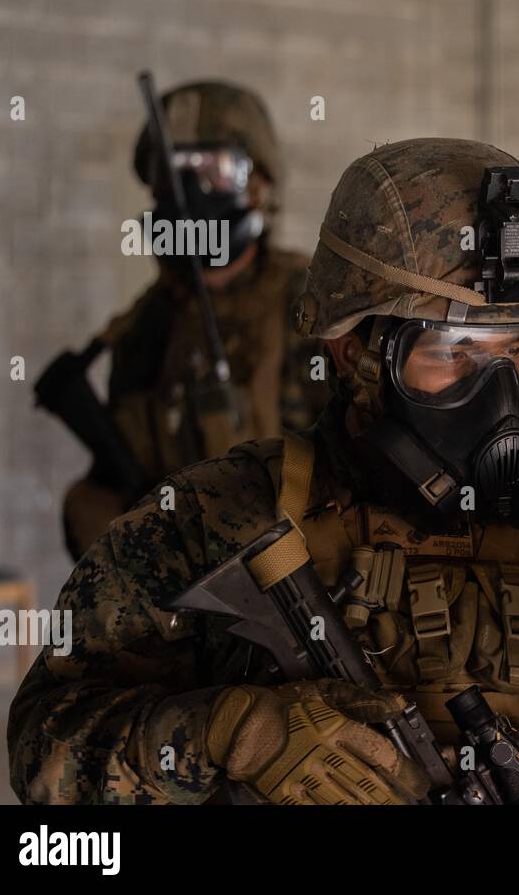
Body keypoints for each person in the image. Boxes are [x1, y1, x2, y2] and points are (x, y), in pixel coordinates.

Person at [9, 138, 519, 805]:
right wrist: (228, 732)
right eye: (453, 353)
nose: (500, 399)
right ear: (352, 353)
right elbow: (47, 753)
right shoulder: (218, 518)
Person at [56, 80, 328, 561]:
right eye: (173, 172)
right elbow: (115, 477)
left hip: (283, 584)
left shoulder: (310, 306)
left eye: (215, 170)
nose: (189, 193)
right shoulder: (145, 323)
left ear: (261, 184)